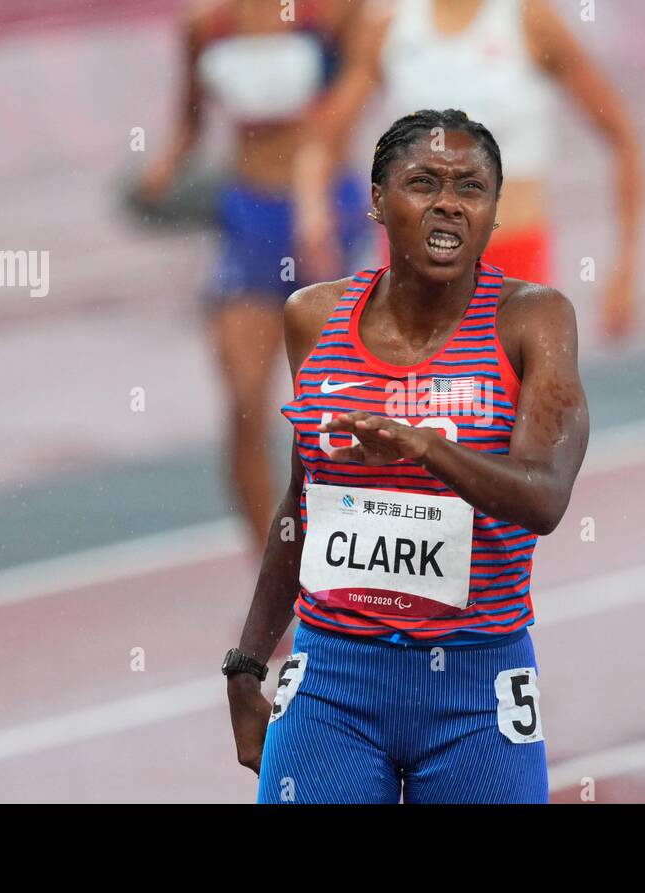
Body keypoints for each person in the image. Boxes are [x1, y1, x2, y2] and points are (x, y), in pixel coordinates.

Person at [222, 109, 589, 803]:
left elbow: (544, 496)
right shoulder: (315, 317)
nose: (449, 201)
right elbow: (302, 505)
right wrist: (246, 662)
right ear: (377, 200)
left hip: (477, 689)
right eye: (424, 182)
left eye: (471, 187)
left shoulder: (532, 321)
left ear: (493, 212)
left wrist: (427, 447)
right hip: (333, 684)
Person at [138, 0, 370, 554]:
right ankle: (273, 568)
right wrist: (160, 171)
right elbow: (189, 124)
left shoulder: (334, 13)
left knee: (333, 406)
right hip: (247, 218)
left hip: (323, 217)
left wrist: (313, 201)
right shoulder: (205, 26)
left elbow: (344, 113)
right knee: (243, 402)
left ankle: (351, 553)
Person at [293, 0, 645, 339]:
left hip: (510, 263)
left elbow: (621, 138)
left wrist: (624, 269)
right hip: (418, 266)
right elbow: (322, 143)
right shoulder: (391, 26)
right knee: (431, 397)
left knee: (510, 396)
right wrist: (313, 214)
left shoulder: (529, 19)